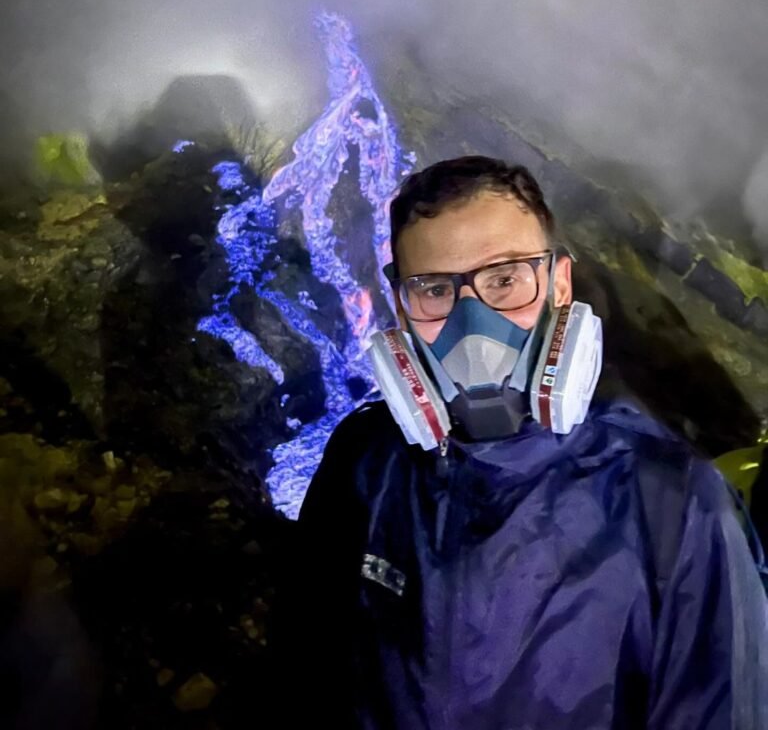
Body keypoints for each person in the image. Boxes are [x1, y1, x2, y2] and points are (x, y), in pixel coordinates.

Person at [278, 155, 768, 729]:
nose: (473, 326)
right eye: (434, 290)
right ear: (401, 307)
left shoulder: (674, 500)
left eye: (505, 280)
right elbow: (303, 679)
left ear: (559, 284)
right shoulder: (365, 460)